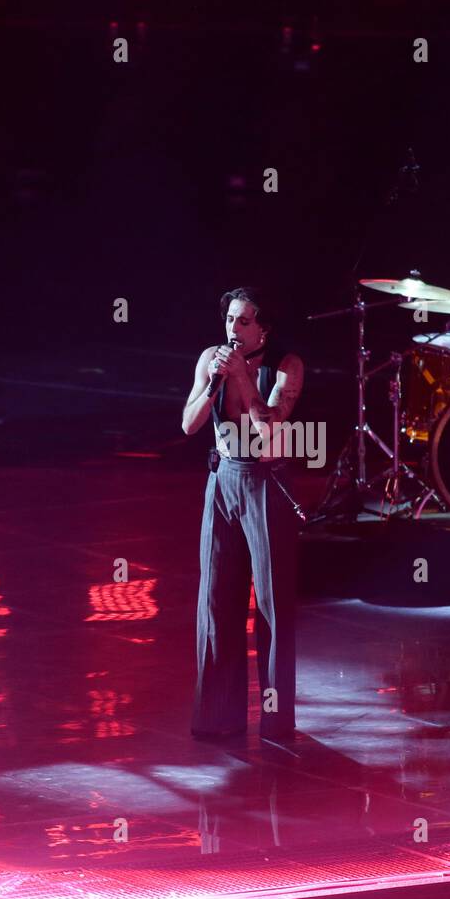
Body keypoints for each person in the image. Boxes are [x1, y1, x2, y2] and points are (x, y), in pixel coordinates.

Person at [181, 287, 305, 740]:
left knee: (271, 605)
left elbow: (270, 429)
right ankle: (217, 716)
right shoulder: (209, 359)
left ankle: (275, 721)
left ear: (263, 328)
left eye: (243, 322)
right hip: (221, 480)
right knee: (215, 602)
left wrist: (242, 380)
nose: (232, 330)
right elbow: (189, 424)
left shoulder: (287, 366)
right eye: (229, 319)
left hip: (264, 482)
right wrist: (215, 381)